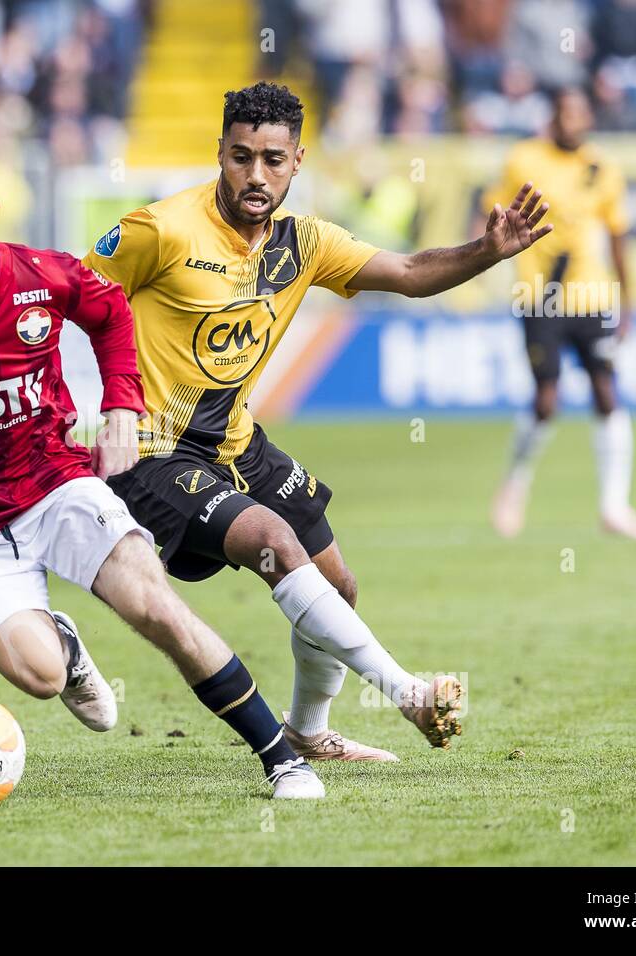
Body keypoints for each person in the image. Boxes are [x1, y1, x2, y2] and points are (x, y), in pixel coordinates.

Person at [0, 140, 324, 799]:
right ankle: (63, 644)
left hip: (55, 482)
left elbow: (111, 313)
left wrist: (120, 404)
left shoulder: (45, 275)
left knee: (156, 607)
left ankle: (282, 758)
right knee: (41, 678)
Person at [84, 82, 553, 761]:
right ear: (219, 152)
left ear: (297, 161)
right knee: (274, 540)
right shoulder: (159, 229)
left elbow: (412, 270)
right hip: (157, 452)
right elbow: (70, 299)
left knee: (339, 585)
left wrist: (486, 252)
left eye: (273, 160)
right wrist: (102, 410)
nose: (255, 174)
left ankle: (308, 731)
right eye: (241, 156)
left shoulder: (304, 244)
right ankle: (410, 695)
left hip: (239, 443)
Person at [489, 86, 636, 541]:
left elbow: (618, 237)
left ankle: (614, 506)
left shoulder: (602, 167)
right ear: (554, 118)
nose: (574, 122)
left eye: (581, 114)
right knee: (547, 400)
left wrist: (628, 302)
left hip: (592, 297)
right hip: (541, 296)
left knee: (606, 391)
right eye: (566, 114)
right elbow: (495, 218)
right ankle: (514, 486)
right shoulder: (524, 159)